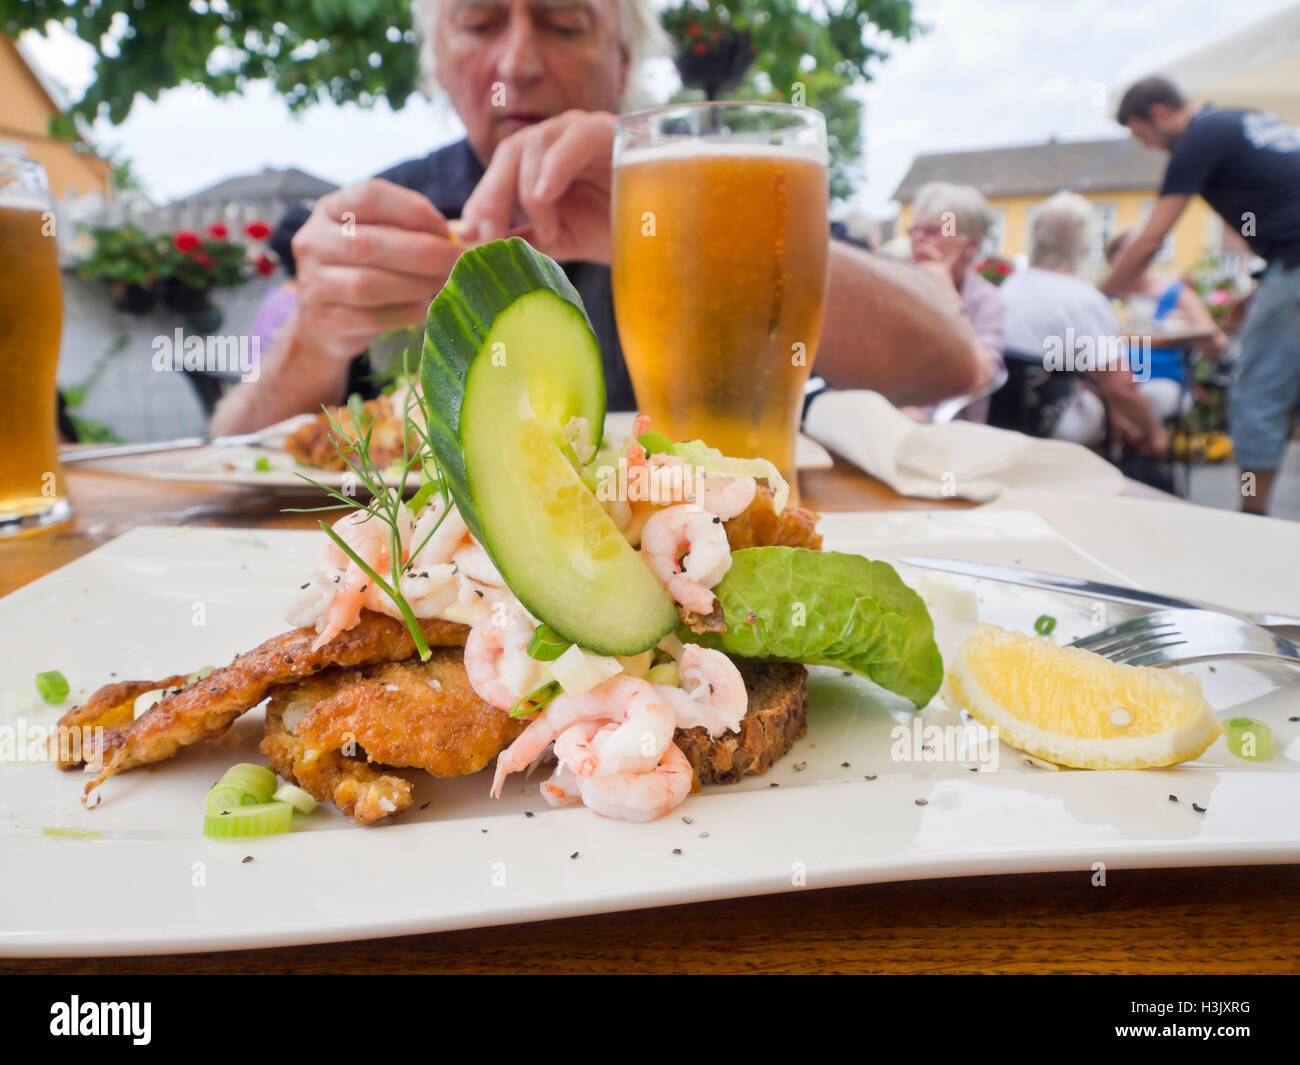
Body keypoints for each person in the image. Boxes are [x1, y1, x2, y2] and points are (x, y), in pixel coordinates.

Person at [211, 0, 988, 435]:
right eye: (480, 25)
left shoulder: (708, 186)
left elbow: (952, 363)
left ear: (623, 58)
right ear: (440, 64)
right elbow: (231, 448)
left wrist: (701, 238)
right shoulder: (385, 214)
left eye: (562, 23)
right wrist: (313, 335)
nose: (516, 64)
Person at [1101, 76, 1300, 514]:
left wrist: (1096, 298)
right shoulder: (1244, 120)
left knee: (1257, 398)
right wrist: (1269, 283)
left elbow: (1151, 240)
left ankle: (1251, 521)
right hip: (1287, 265)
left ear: (1157, 113)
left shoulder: (1198, 137)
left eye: (1142, 134)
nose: (1149, 146)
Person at [999, 192, 1166, 454]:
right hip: (1052, 422)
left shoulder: (1009, 287)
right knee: (1110, 406)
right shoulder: (1082, 298)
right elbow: (1121, 388)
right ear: (1084, 244)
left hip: (1000, 418)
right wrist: (1155, 434)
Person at [1103, 227, 1227, 423]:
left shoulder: (1175, 293)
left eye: (1147, 251)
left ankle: (1145, 446)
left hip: (1160, 381)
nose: (1141, 257)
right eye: (1132, 251)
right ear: (1113, 257)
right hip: (1112, 381)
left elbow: (1219, 345)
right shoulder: (1103, 297)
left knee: (1138, 398)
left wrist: (1189, 327)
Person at [906, 181, 1004, 420]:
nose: (918, 238)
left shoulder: (985, 299)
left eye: (932, 231)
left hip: (945, 429)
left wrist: (947, 292)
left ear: (971, 245)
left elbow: (981, 375)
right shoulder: (901, 285)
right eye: (914, 230)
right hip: (893, 415)